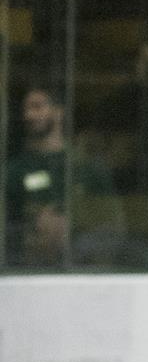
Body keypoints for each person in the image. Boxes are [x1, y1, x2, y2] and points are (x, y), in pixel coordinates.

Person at [3, 83, 123, 268]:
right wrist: (31, 234)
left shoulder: (88, 168)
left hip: (80, 273)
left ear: (59, 112)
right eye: (26, 109)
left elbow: (114, 229)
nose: (29, 115)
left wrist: (71, 238)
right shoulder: (14, 171)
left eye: (38, 107)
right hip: (27, 271)